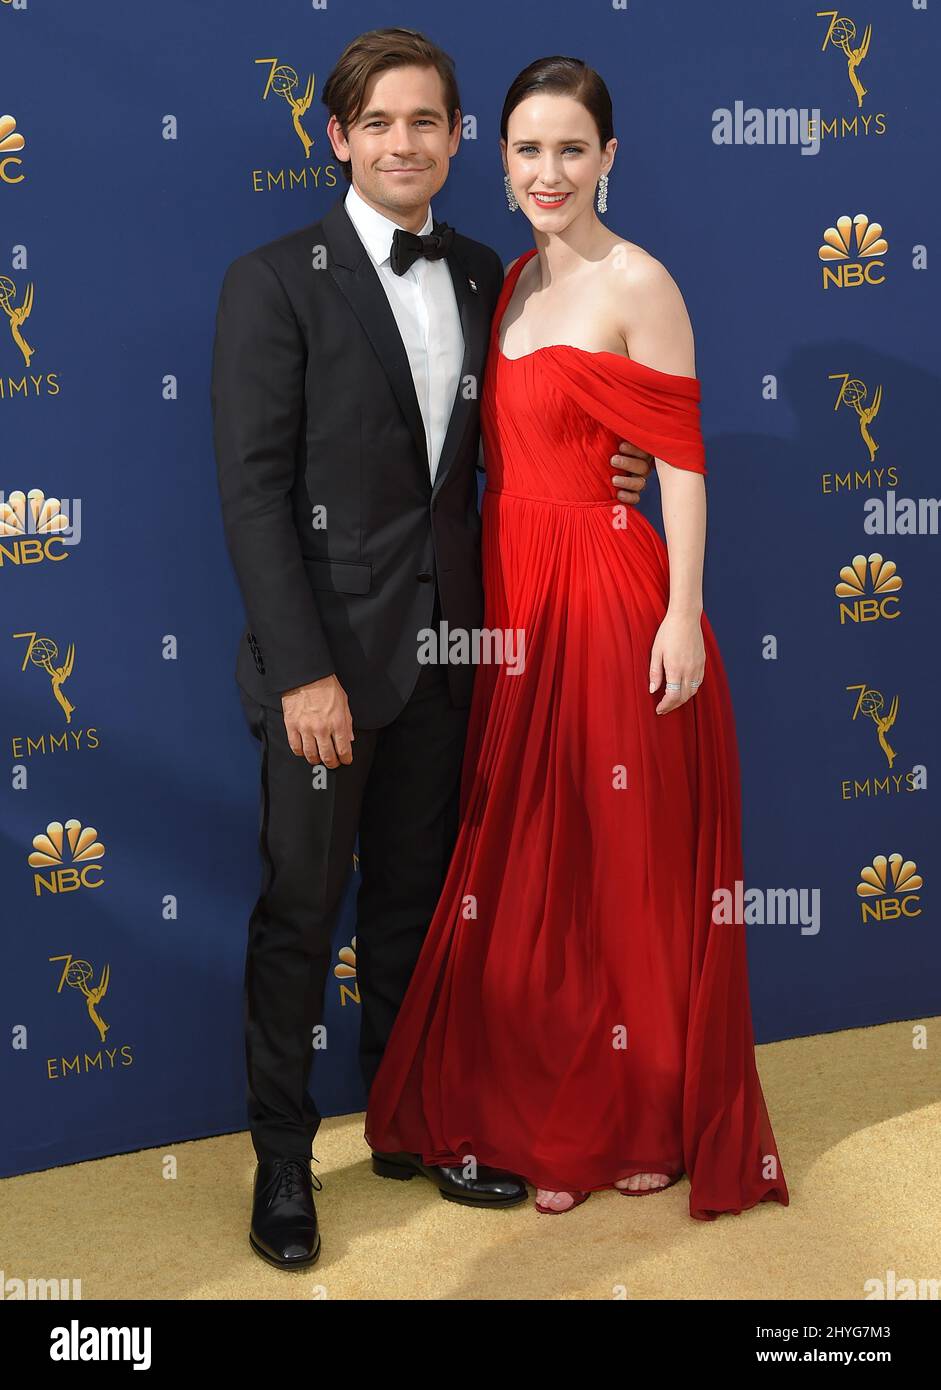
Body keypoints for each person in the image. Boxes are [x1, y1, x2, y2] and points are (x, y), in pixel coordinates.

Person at [210, 29, 652, 1269]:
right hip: (326, 667)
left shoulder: (484, 273)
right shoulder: (273, 279)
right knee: (303, 911)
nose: (405, 144)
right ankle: (285, 1163)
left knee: (420, 904)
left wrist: (618, 462)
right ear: (338, 136)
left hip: (457, 654)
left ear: (459, 141)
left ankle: (410, 1121)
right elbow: (251, 496)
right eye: (380, 123)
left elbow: (541, 418)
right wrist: (303, 671)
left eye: (428, 123)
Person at [365, 56, 790, 1221]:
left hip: (608, 600)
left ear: (608, 159)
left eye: (569, 149)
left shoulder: (638, 282)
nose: (547, 171)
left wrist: (681, 615)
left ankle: (641, 1117)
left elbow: (682, 462)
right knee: (534, 863)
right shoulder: (505, 286)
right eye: (525, 150)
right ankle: (557, 1098)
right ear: (495, 165)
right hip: (515, 606)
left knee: (620, 863)